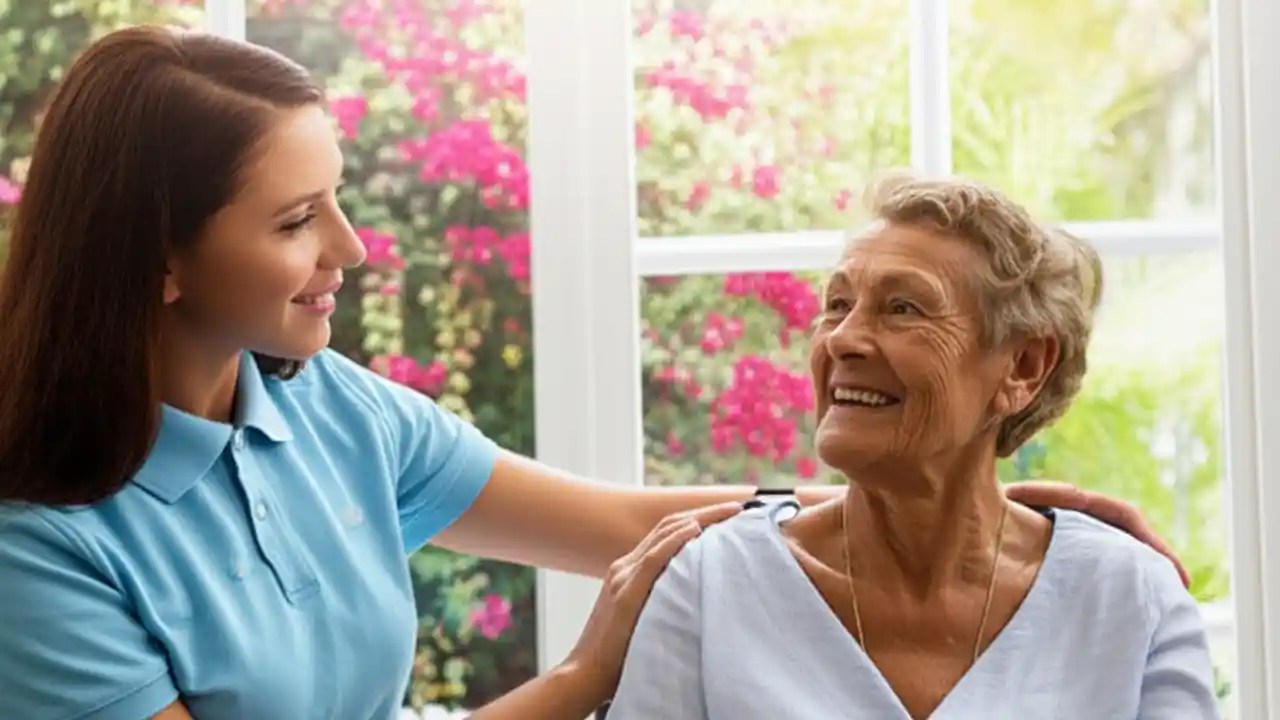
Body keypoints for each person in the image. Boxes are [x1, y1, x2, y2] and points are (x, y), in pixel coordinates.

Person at [0, 26, 1185, 720]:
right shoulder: (35, 541)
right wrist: (577, 679)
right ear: (160, 259)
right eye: (297, 219)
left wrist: (941, 497)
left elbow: (616, 521)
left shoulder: (328, 411)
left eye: (339, 200)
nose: (352, 251)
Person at [604, 174, 1220, 720]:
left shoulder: (1130, 597)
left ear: (1023, 367)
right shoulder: (710, 584)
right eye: (837, 304)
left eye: (903, 308)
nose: (843, 339)